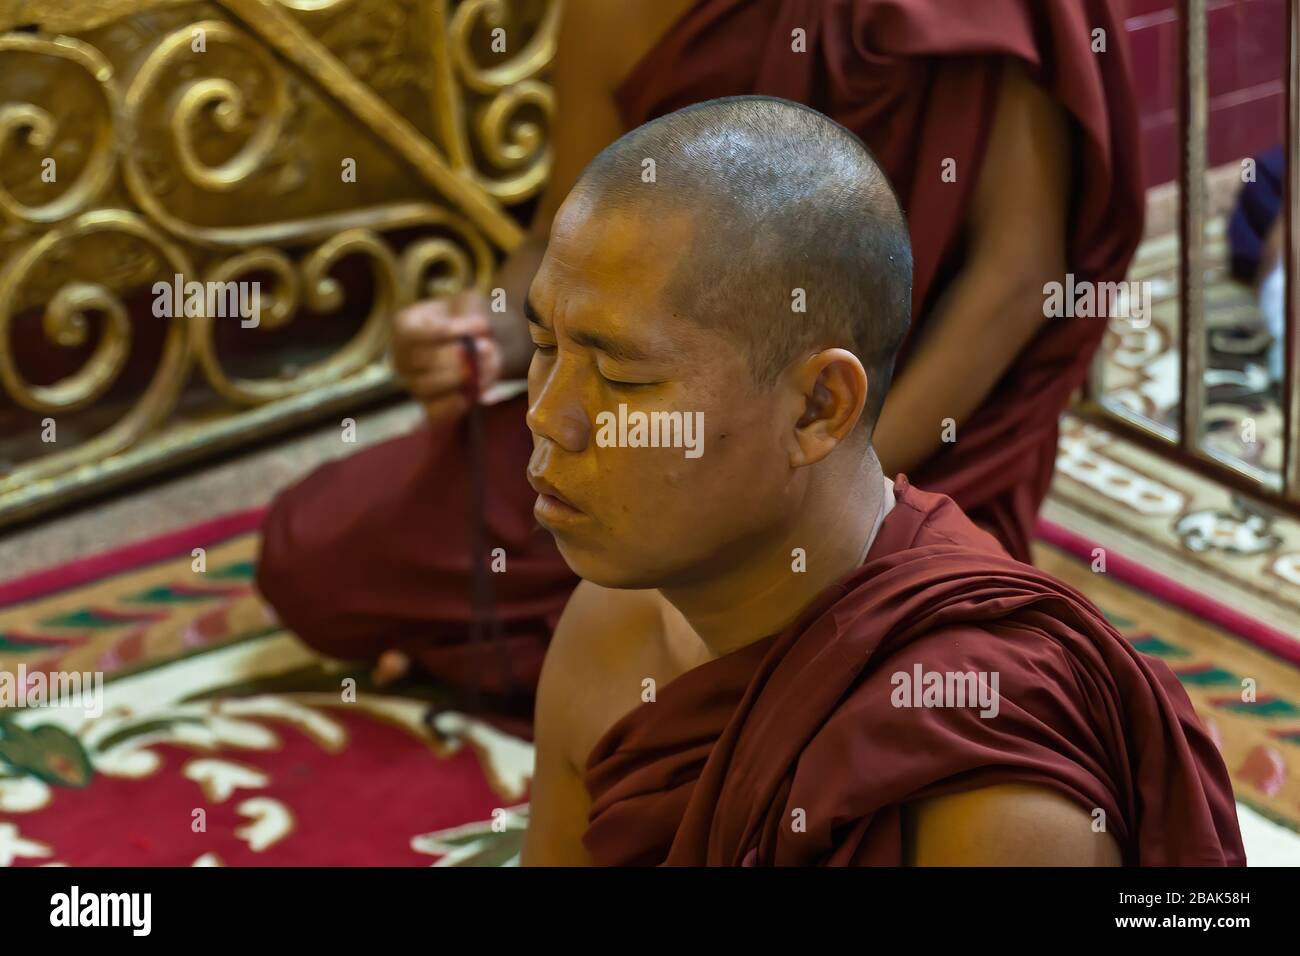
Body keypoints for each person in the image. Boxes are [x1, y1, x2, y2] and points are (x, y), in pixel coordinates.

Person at [256, 0, 1144, 699]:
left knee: (917, 690)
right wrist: (480, 324)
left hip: (880, 450)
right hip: (646, 421)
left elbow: (1019, 275)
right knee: (318, 554)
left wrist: (831, 482)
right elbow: (554, 246)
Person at [518, 95, 1243, 866]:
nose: (549, 417)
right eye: (542, 343)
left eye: (622, 378)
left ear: (818, 408)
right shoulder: (608, 628)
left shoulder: (990, 794)